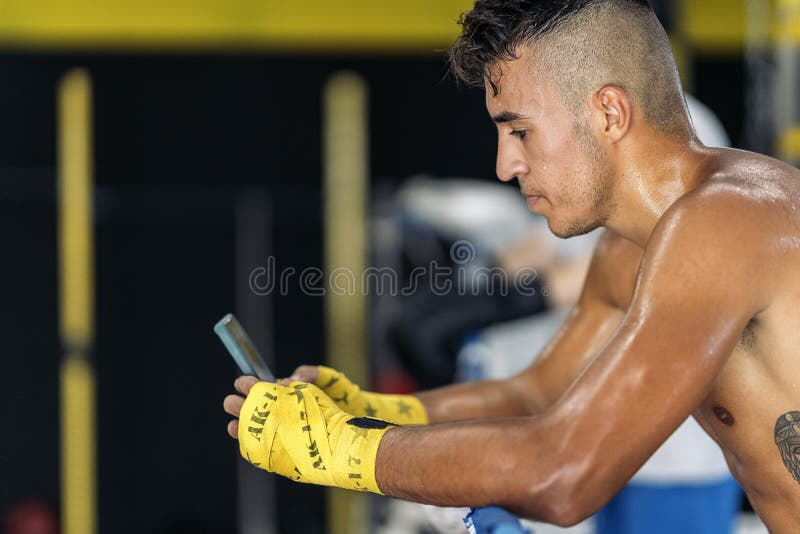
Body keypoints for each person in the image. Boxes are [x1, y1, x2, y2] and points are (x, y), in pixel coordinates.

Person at [222, 0, 800, 531]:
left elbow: (567, 472)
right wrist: (376, 413)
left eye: (520, 130)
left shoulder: (727, 221)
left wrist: (342, 449)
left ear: (609, 111)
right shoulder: (634, 245)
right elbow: (539, 393)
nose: (505, 165)